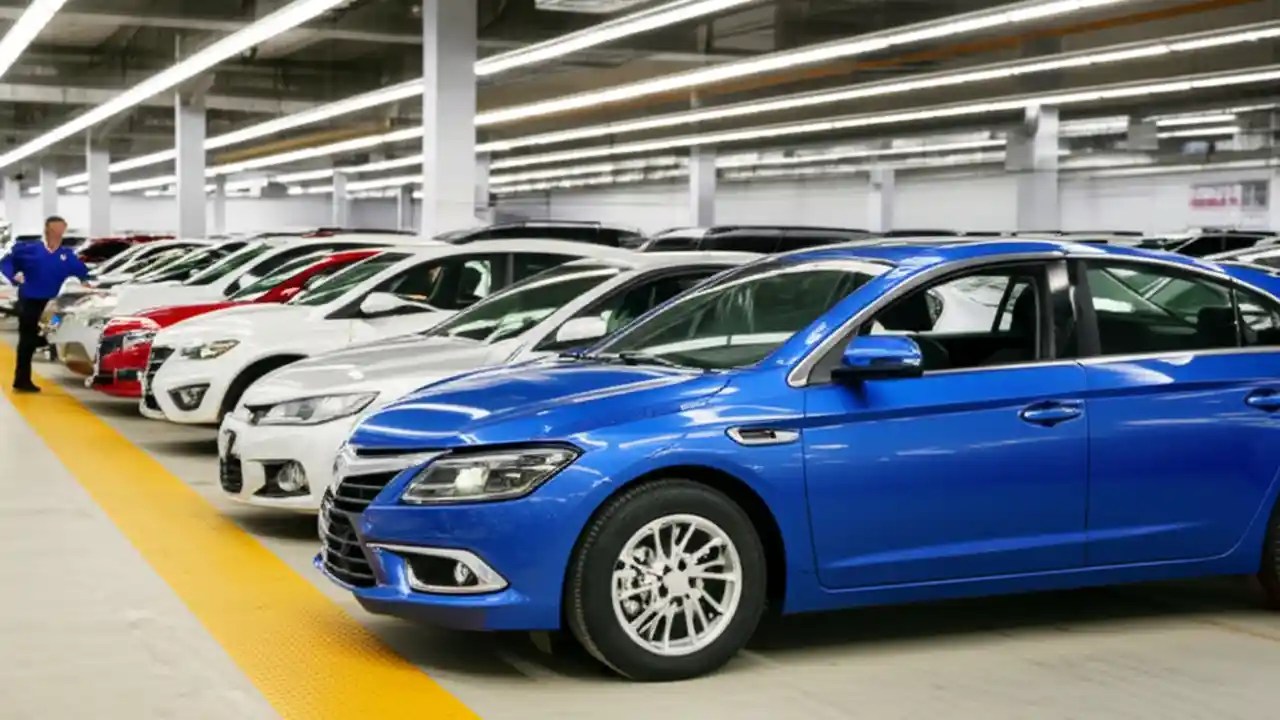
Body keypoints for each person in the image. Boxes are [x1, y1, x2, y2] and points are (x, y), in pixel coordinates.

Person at [0, 216, 90, 392]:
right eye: (54, 230)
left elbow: (83, 273)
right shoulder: (28, 250)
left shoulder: (67, 255)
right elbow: (6, 263)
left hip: (53, 306)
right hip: (30, 301)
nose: (57, 234)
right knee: (26, 340)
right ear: (47, 230)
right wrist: (14, 276)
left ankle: (43, 342)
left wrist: (87, 284)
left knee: (48, 333)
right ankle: (22, 379)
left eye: (60, 230)